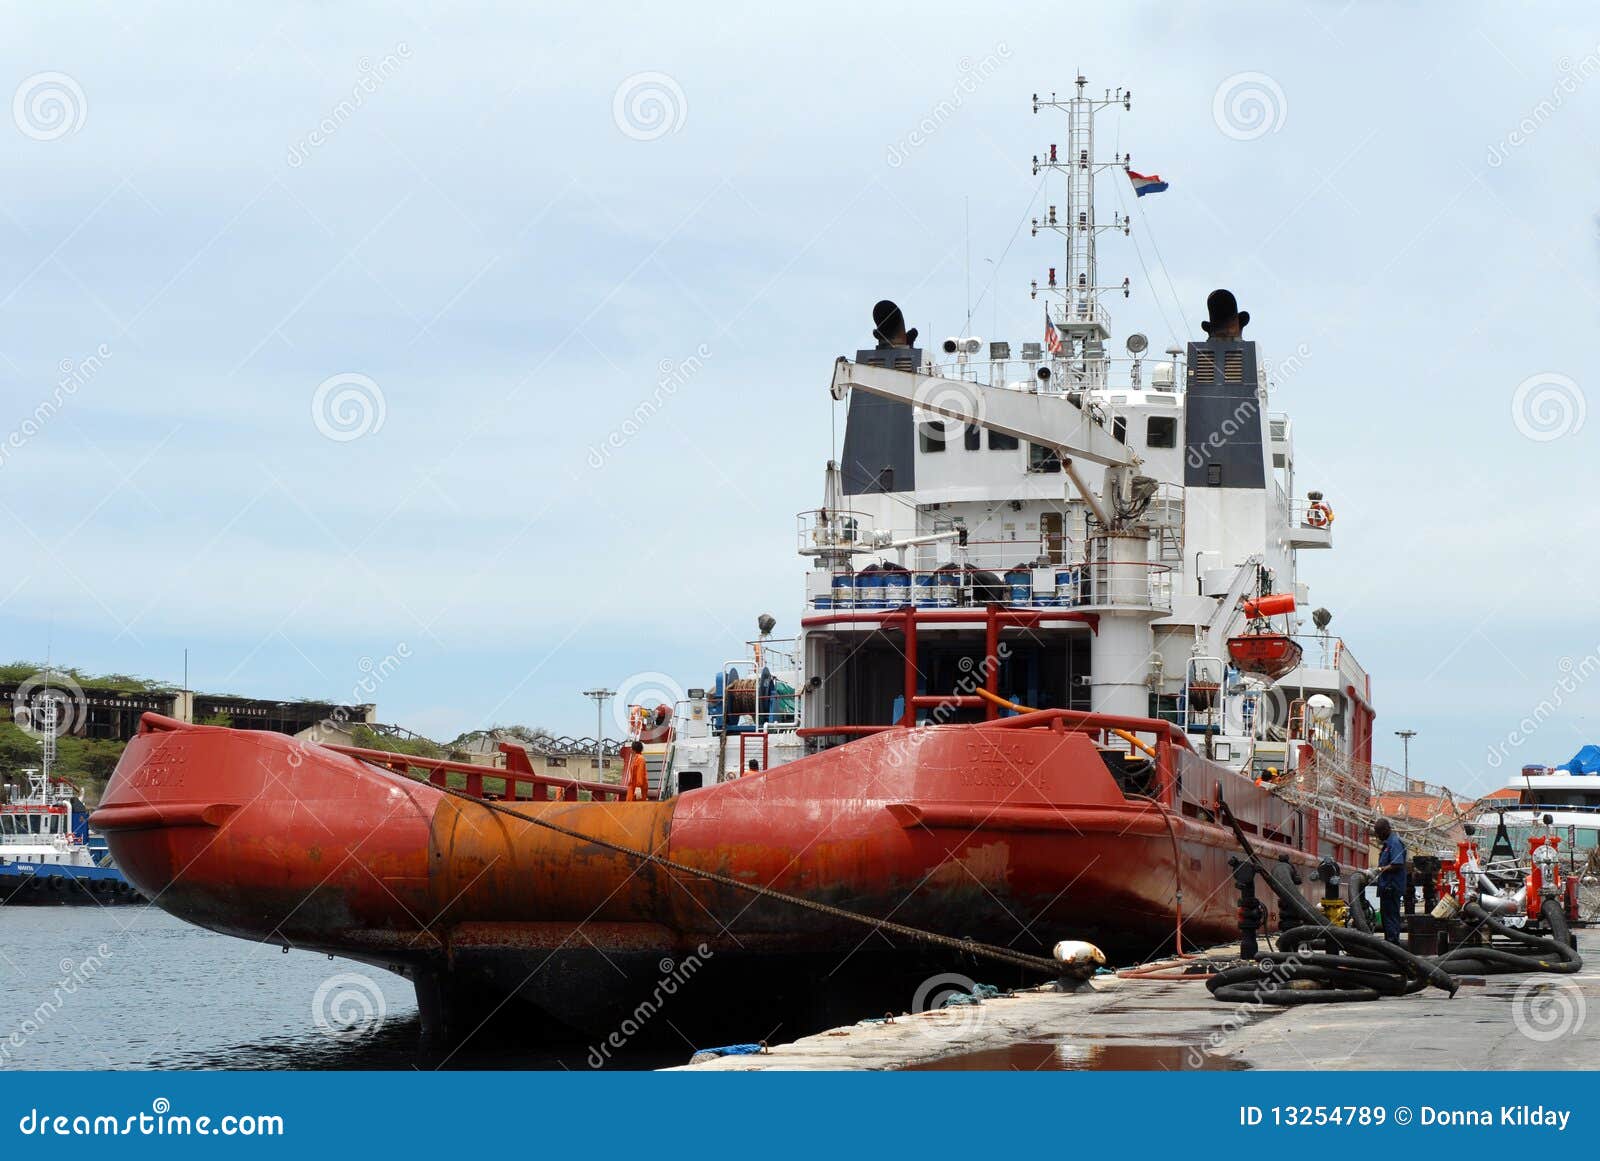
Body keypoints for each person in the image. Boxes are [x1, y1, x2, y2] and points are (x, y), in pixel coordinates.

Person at [1373, 817, 1407, 944]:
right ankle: (1390, 943)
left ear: (1385, 830)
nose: (1378, 836)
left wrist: (1380, 869)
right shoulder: (1388, 844)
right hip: (1386, 888)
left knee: (1390, 918)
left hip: (1391, 887)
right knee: (1386, 917)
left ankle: (1392, 945)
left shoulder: (1394, 843)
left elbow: (1397, 864)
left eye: (1379, 833)